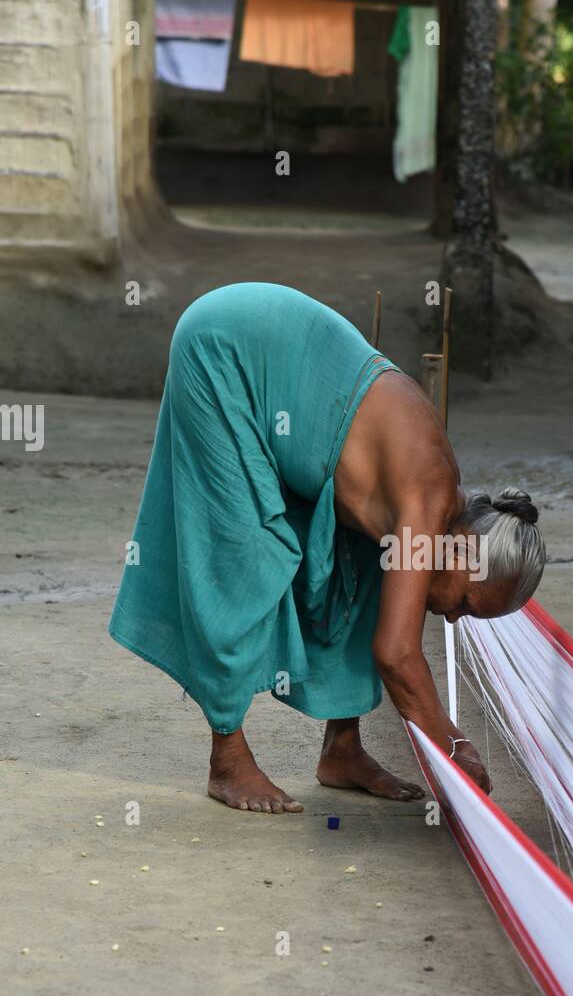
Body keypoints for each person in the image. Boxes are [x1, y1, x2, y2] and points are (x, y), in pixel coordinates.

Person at [109, 283, 545, 812]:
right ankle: (227, 759)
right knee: (241, 556)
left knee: (361, 572)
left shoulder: (429, 505)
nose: (452, 619)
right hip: (223, 346)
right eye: (465, 604)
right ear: (462, 553)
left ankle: (342, 752)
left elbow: (385, 624)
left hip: (271, 355)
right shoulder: (428, 498)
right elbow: (398, 652)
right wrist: (452, 744)